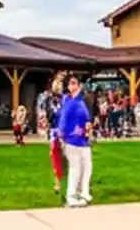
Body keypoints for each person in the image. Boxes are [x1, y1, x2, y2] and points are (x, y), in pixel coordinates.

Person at [57, 74, 93, 208]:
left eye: (75, 83)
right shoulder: (68, 101)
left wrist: (88, 125)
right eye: (71, 83)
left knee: (87, 167)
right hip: (72, 140)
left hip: (83, 139)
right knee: (75, 168)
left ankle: (84, 192)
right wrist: (60, 134)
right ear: (67, 86)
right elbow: (63, 119)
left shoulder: (80, 101)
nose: (74, 85)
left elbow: (87, 118)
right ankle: (71, 196)